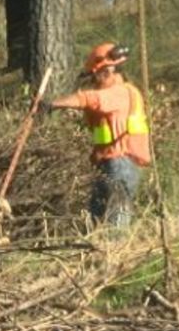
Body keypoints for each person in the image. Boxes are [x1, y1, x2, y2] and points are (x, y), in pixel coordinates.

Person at [42, 43, 151, 228]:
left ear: (108, 70)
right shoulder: (113, 94)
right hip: (109, 163)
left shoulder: (120, 92)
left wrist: (52, 105)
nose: (94, 81)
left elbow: (88, 99)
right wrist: (97, 154)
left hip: (122, 163)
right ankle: (95, 248)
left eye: (96, 75)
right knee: (96, 212)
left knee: (116, 216)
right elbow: (103, 132)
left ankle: (115, 252)